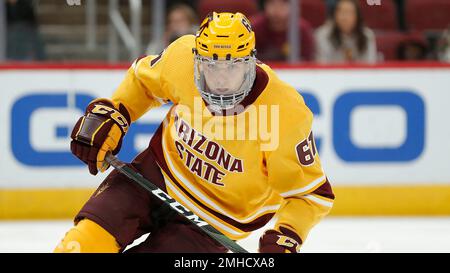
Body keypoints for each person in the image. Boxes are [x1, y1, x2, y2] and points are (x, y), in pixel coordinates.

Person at [54, 12, 334, 253]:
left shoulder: (284, 112)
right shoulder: (182, 59)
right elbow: (143, 82)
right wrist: (116, 113)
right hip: (153, 175)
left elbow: (310, 195)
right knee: (82, 243)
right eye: (211, 67)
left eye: (232, 66)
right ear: (198, 60)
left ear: (250, 63)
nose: (221, 79)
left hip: (213, 222)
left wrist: (288, 234)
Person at [251, 0, 315, 61]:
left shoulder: (302, 30)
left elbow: (308, 61)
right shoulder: (254, 28)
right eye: (272, 3)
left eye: (282, 4)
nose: (276, 10)